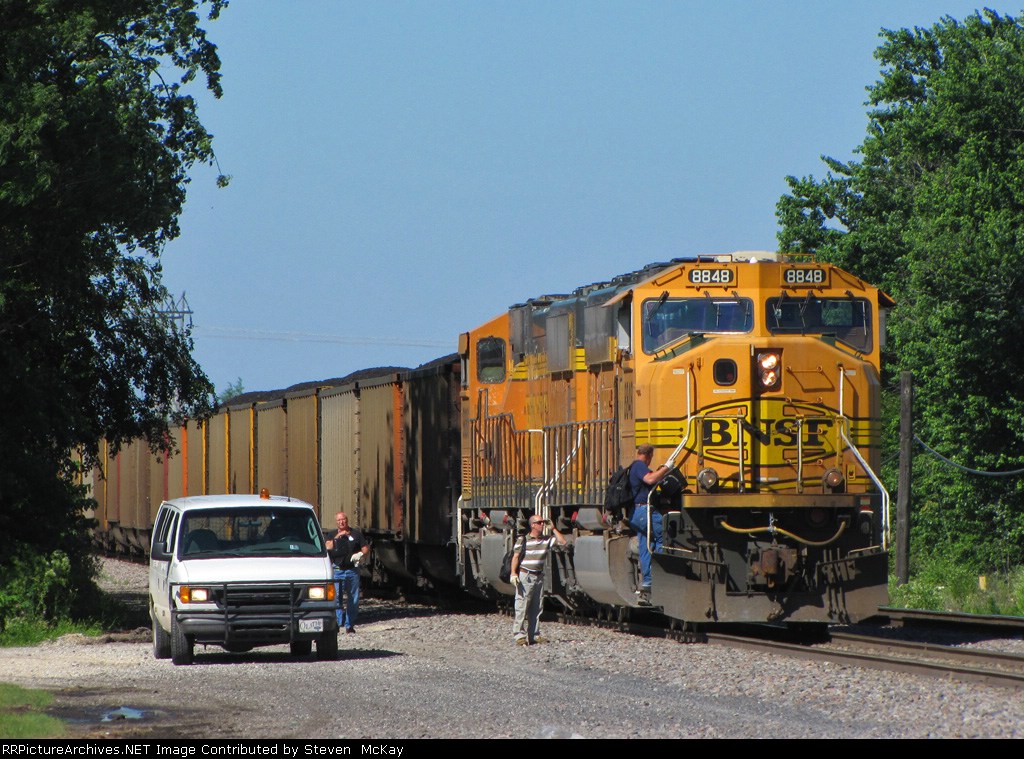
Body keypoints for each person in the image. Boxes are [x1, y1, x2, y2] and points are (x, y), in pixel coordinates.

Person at [628, 444, 674, 605]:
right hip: (644, 511)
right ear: (648, 455)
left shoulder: (634, 467)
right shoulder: (639, 465)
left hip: (636, 513)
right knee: (664, 535)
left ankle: (648, 581)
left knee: (646, 543)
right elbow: (650, 479)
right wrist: (666, 468)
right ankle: (661, 573)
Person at [510, 515, 567, 646]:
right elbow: (516, 557)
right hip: (525, 575)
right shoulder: (523, 540)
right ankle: (519, 635)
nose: (542, 524)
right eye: (539, 522)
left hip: (539, 576)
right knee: (522, 605)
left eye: (543, 522)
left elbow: (563, 542)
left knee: (537, 607)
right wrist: (513, 573)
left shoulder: (546, 540)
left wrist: (553, 528)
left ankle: (534, 635)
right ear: (533, 525)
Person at [327, 512, 368, 633]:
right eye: (339, 520)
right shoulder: (332, 534)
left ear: (347, 520)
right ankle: (339, 622)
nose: (341, 522)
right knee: (336, 598)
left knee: (353, 599)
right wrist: (338, 536)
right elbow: (328, 547)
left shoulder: (356, 534)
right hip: (337, 570)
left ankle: (349, 625)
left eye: (343, 519)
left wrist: (360, 554)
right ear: (336, 522)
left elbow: (365, 547)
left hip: (352, 570)